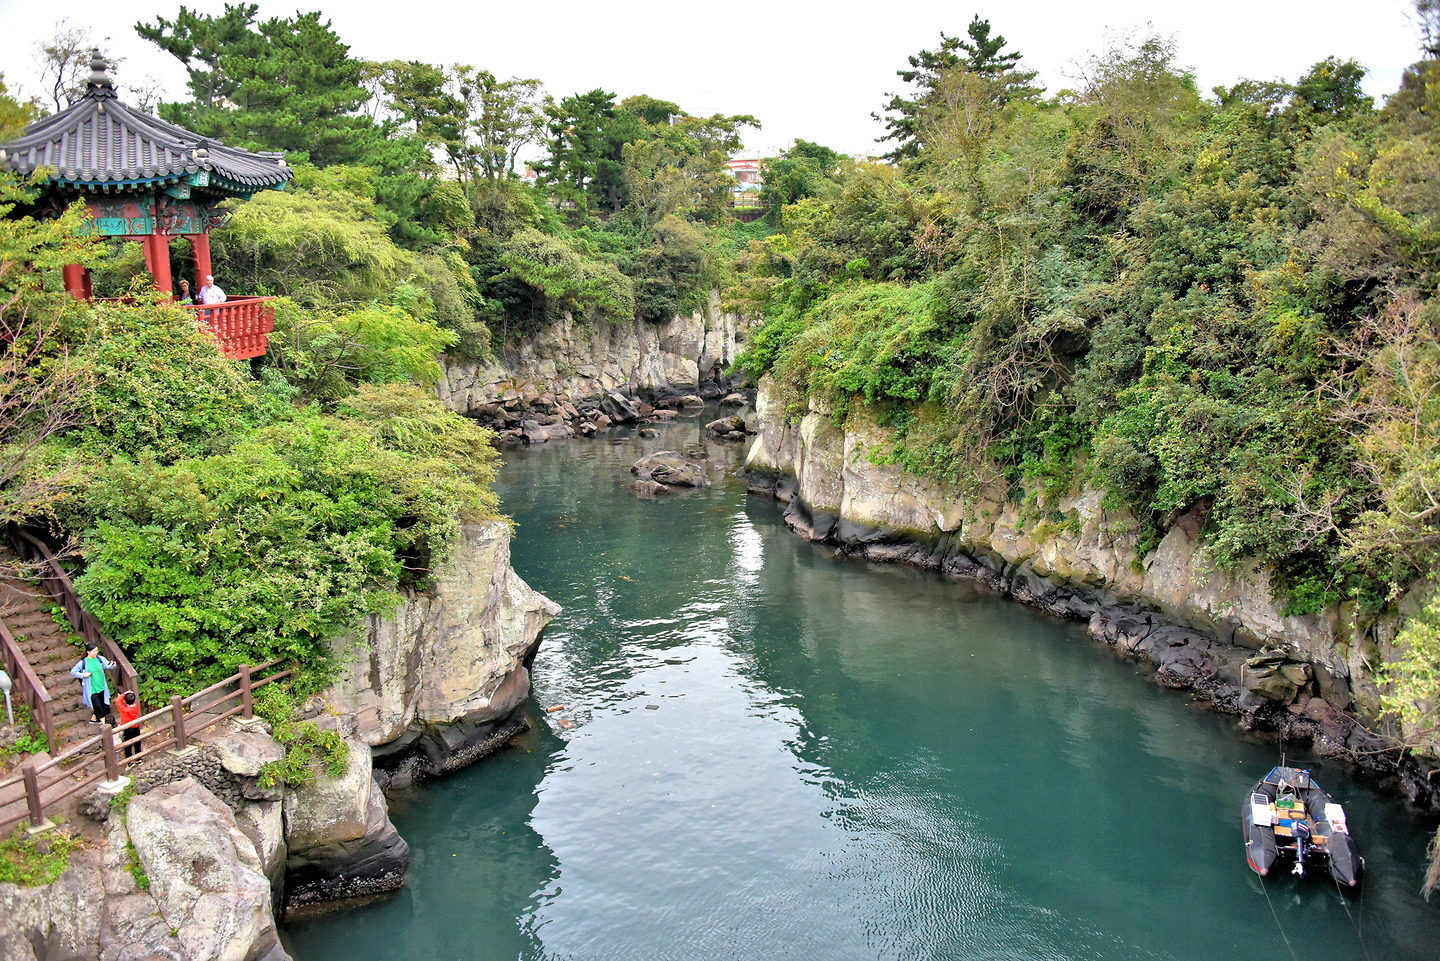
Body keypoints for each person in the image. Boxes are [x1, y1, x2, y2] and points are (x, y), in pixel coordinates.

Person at [70, 643, 116, 725]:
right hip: (92, 689)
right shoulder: (83, 663)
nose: (96, 653)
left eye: (97, 651)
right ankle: (106, 726)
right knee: (98, 707)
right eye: (94, 651)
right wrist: (83, 675)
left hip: (102, 687)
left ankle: (94, 719)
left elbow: (107, 665)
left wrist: (112, 664)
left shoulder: (100, 659)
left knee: (104, 706)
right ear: (88, 652)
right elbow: (73, 672)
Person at [116, 690, 141, 759]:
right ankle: (138, 759)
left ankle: (129, 761)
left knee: (127, 745)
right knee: (137, 743)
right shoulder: (136, 707)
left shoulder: (124, 709)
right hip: (136, 727)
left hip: (127, 728)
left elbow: (117, 701)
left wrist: (124, 694)